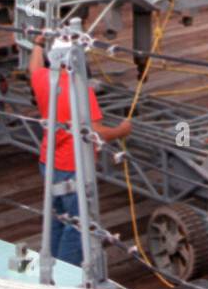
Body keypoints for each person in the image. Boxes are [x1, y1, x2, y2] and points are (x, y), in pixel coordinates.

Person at [29, 40, 131, 266]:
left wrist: (37, 44)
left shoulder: (44, 78)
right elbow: (96, 132)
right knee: (78, 226)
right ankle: (68, 274)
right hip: (72, 168)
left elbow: (34, 68)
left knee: (56, 218)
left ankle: (51, 268)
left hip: (48, 162)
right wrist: (121, 131)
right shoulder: (81, 89)